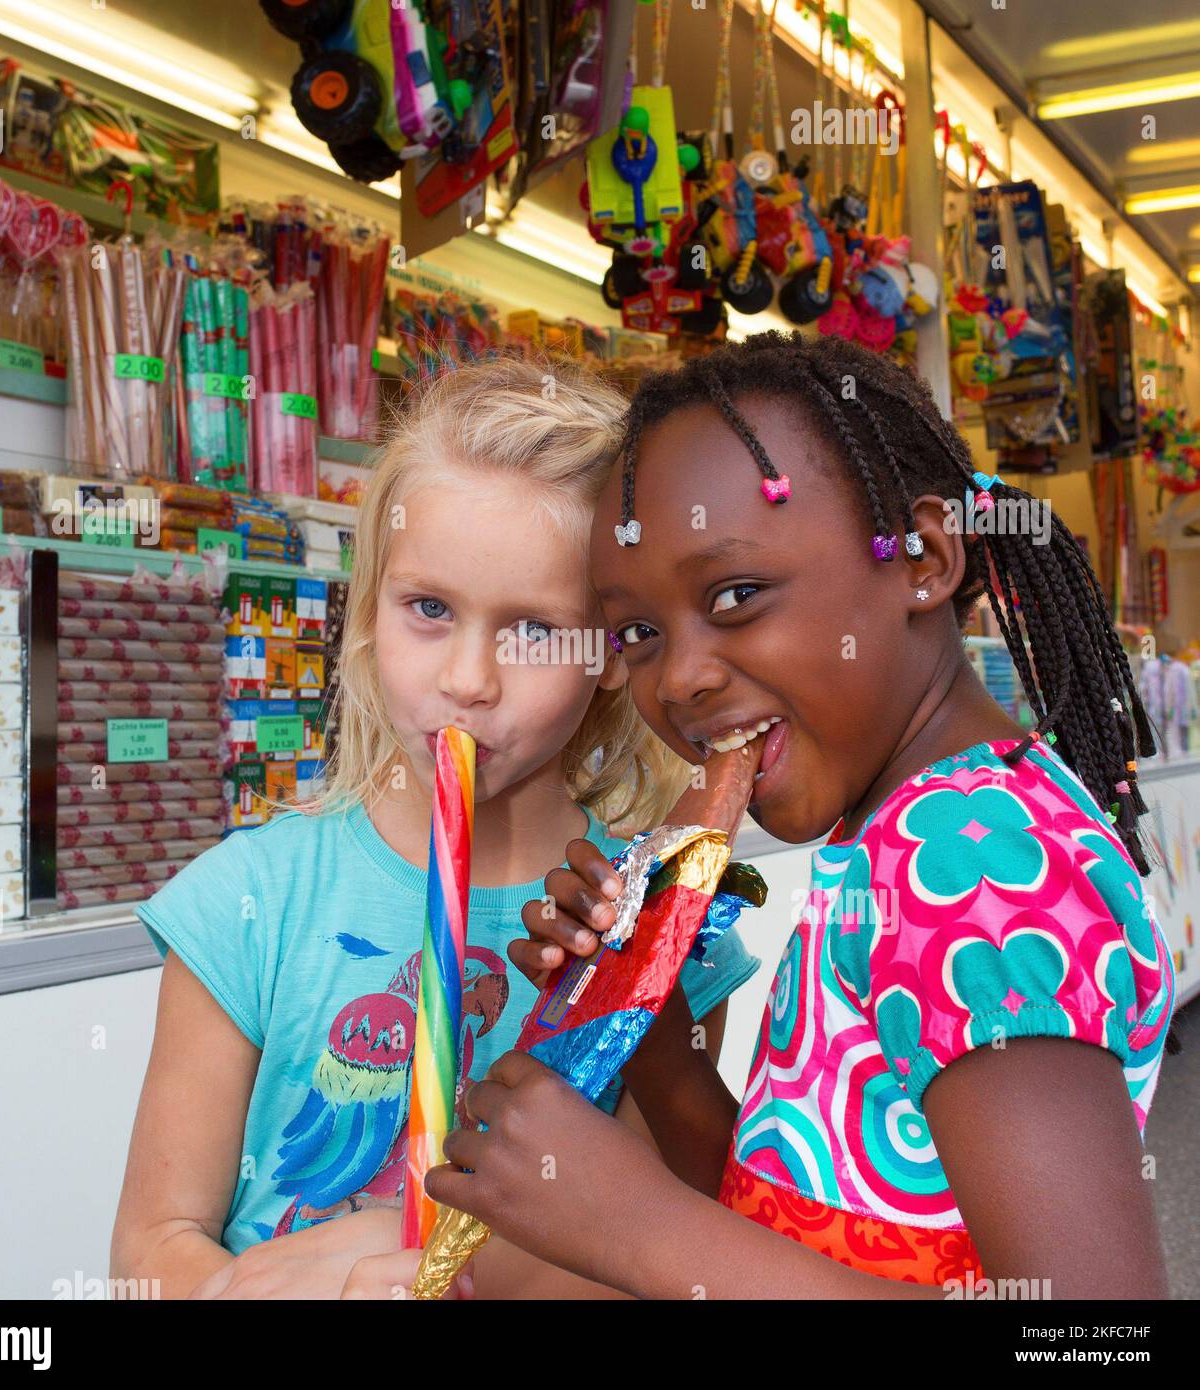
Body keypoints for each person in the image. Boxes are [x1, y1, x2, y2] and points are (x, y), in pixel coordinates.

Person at [421, 332, 1176, 1299]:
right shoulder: (905, 838)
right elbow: (795, 1215)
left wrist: (637, 1226)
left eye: (737, 595)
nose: (683, 677)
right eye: (639, 633)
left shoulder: (978, 873)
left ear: (925, 559)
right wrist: (651, 1032)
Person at [109, 357, 760, 1299]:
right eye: (428, 608)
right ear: (369, 610)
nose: (467, 680)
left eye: (534, 631)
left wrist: (468, 1264)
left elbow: (663, 1247)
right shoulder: (251, 899)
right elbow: (148, 1250)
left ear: (611, 652)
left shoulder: (660, 929)